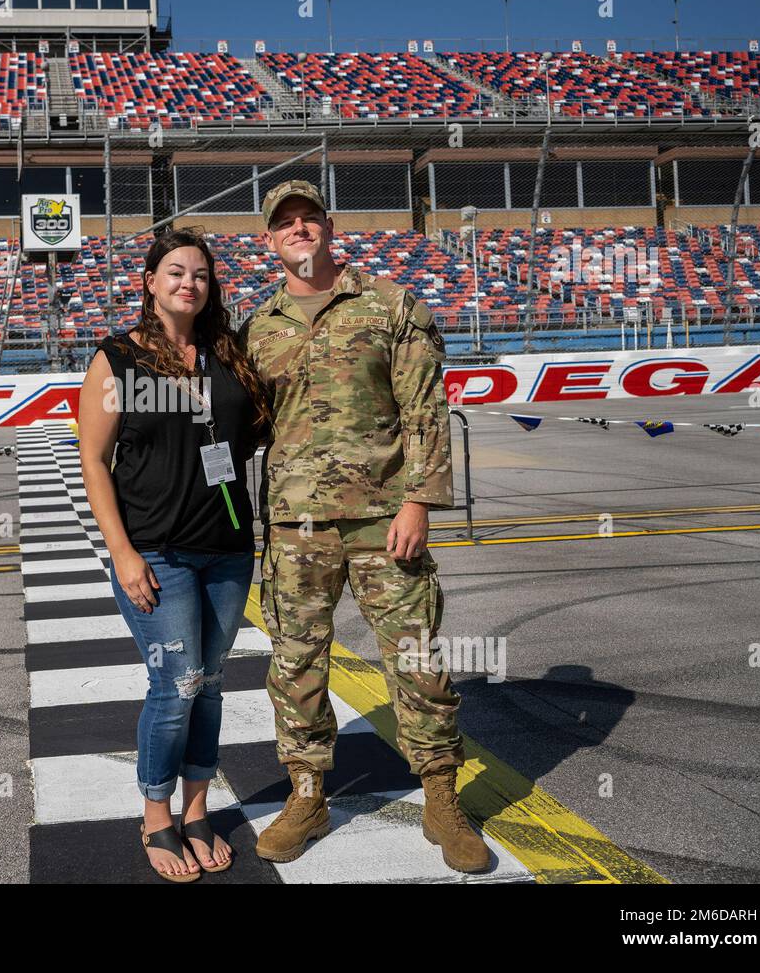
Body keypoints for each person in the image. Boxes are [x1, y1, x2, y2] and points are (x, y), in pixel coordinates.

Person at [238, 179, 489, 873]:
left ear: (328, 226)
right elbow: (237, 427)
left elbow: (424, 408)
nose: (298, 229)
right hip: (296, 527)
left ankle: (442, 797)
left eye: (308, 217)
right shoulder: (256, 328)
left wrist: (419, 502)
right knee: (295, 664)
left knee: (416, 658)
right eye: (284, 222)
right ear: (269, 240)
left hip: (384, 519)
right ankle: (308, 793)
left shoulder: (387, 305)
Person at [78, 227, 271, 882]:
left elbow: (246, 437)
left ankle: (196, 808)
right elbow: (94, 461)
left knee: (211, 685)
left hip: (227, 548)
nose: (190, 282)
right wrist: (123, 554)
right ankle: (155, 813)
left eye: (201, 274)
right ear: (151, 282)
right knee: (177, 684)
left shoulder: (227, 354)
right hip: (156, 552)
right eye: (176, 271)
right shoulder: (118, 358)